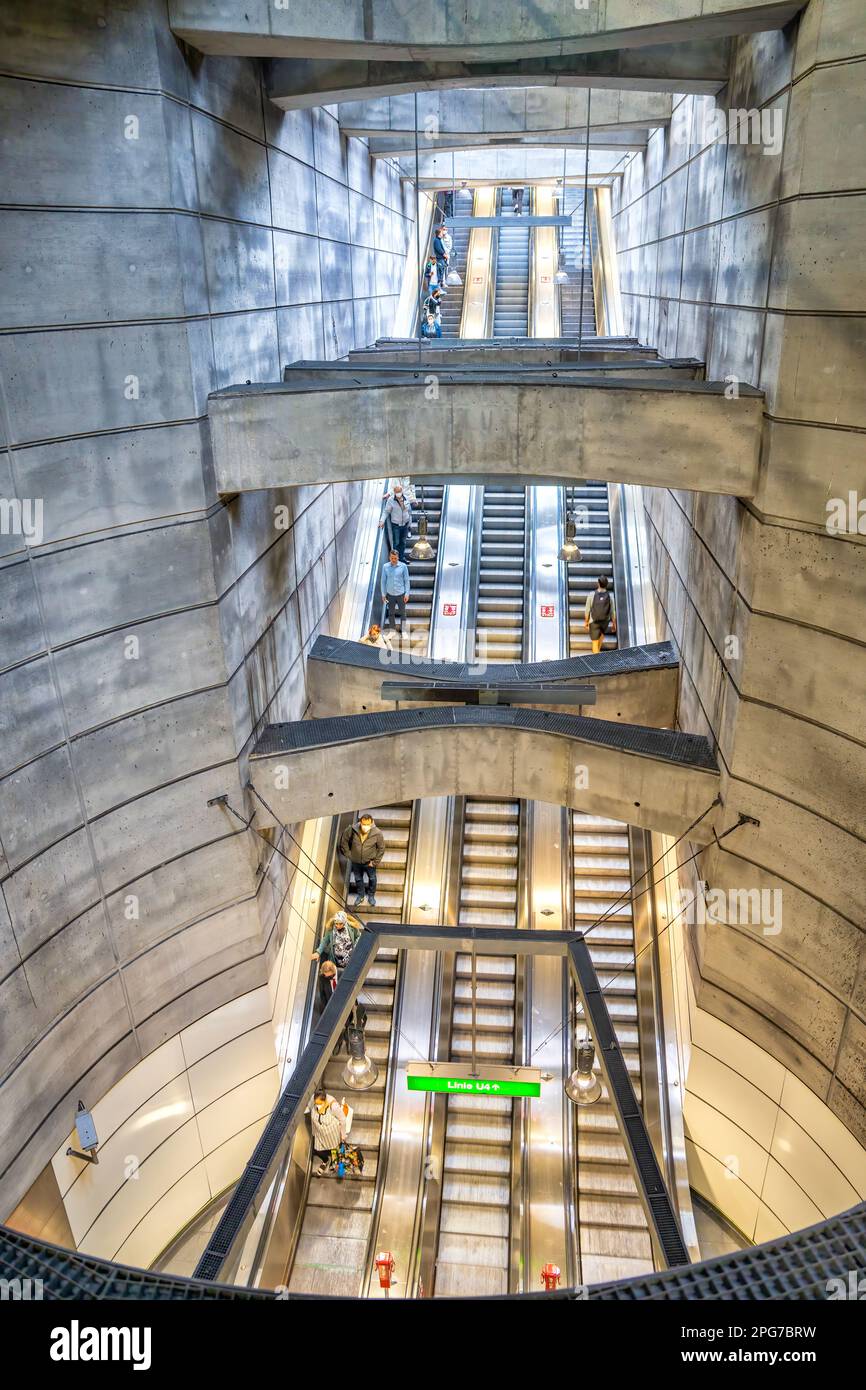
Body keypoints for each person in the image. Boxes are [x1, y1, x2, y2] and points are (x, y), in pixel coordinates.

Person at [339, 811, 385, 907]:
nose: (365, 826)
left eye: (368, 824)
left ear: (371, 823)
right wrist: (349, 854)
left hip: (370, 862)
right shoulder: (352, 829)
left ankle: (371, 895)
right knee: (358, 879)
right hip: (356, 862)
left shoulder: (377, 833)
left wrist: (375, 862)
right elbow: (344, 841)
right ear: (360, 822)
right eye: (364, 824)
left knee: (372, 878)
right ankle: (361, 895)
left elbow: (381, 848)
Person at [308, 1089, 348, 1175]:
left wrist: (343, 1135)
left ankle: (334, 1161)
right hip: (320, 1133)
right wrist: (314, 1133)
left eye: (319, 1104)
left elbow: (342, 1119)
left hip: (332, 1133)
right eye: (316, 1103)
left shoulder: (333, 1106)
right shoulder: (313, 1100)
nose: (317, 1106)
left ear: (325, 1101)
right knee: (317, 1150)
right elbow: (311, 1113)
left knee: (334, 1148)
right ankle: (325, 1160)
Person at [379, 483, 413, 561]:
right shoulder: (391, 500)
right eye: (397, 492)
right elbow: (386, 512)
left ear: (402, 491)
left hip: (405, 524)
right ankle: (395, 560)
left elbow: (409, 511)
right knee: (396, 543)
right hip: (396, 525)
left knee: (403, 542)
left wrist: (409, 523)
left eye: (399, 491)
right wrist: (382, 521)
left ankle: (401, 558)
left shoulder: (406, 498)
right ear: (394, 492)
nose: (398, 493)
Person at [584, 575, 617, 654]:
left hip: (594, 622)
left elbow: (587, 610)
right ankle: (598, 651)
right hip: (605, 621)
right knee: (601, 637)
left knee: (594, 643)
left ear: (598, 583)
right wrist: (614, 624)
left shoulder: (591, 595)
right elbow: (612, 611)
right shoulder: (610, 596)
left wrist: (586, 622)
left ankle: (596, 659)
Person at [381, 549, 411, 633]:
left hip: (401, 594)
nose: (393, 560)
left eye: (395, 558)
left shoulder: (403, 566)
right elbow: (383, 581)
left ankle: (404, 631)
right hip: (390, 595)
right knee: (391, 614)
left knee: (403, 613)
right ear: (389, 557)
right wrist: (383, 594)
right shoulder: (385, 566)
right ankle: (392, 631)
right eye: (392, 558)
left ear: (398, 557)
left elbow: (407, 581)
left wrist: (407, 594)